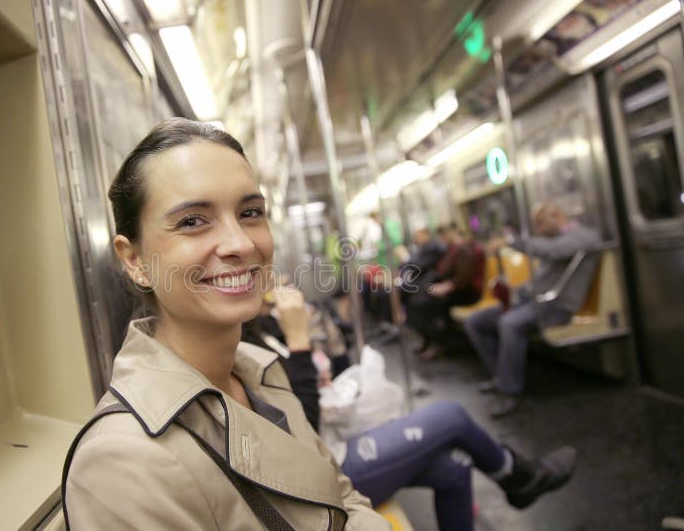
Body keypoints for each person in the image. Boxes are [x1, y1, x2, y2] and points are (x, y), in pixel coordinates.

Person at [63, 118, 390, 529]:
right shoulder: (121, 462)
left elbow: (339, 496)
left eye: (250, 212)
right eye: (192, 221)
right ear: (135, 261)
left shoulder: (259, 371)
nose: (241, 244)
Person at [243, 287, 578, 531]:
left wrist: (317, 342)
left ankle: (517, 478)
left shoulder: (262, 331)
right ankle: (517, 477)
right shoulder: (240, 352)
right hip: (324, 476)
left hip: (332, 449)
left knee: (455, 466)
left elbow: (319, 371)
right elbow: (302, 425)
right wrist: (299, 343)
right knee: (451, 416)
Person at [464, 202, 601, 417]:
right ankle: (501, 376)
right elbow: (541, 279)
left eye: (541, 223)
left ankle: (510, 392)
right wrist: (515, 290)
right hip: (534, 301)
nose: (538, 229)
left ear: (556, 215)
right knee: (475, 321)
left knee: (509, 323)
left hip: (557, 305)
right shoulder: (554, 240)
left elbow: (554, 251)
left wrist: (511, 241)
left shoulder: (584, 237)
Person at [406, 224, 484, 359]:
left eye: (445, 234)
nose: (443, 237)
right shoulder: (451, 249)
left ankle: (441, 341)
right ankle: (433, 339)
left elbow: (463, 278)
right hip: (454, 288)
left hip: (465, 292)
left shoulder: (464, 249)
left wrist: (448, 286)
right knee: (417, 301)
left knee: (423, 304)